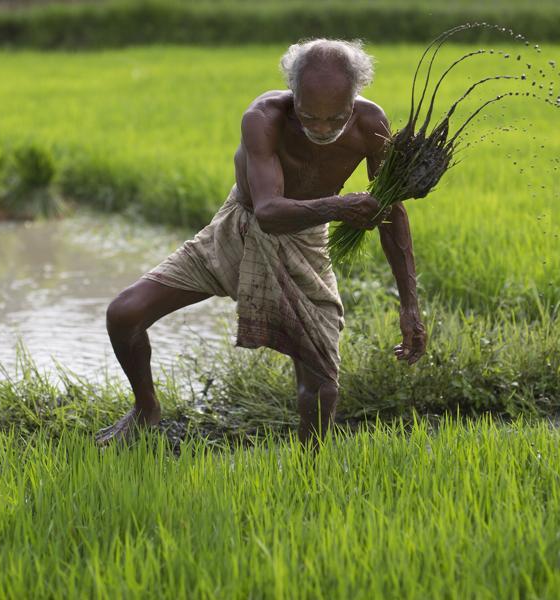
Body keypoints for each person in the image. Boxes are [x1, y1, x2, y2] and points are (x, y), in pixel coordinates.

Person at [95, 38, 428, 451]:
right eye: (310, 116)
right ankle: (146, 410)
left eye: (335, 118)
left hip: (306, 244)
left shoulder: (370, 124)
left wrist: (409, 304)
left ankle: (311, 471)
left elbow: (391, 211)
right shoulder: (264, 118)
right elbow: (269, 212)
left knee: (320, 381)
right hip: (240, 229)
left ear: (354, 99)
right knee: (124, 314)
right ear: (293, 94)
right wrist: (340, 206)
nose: (322, 130)